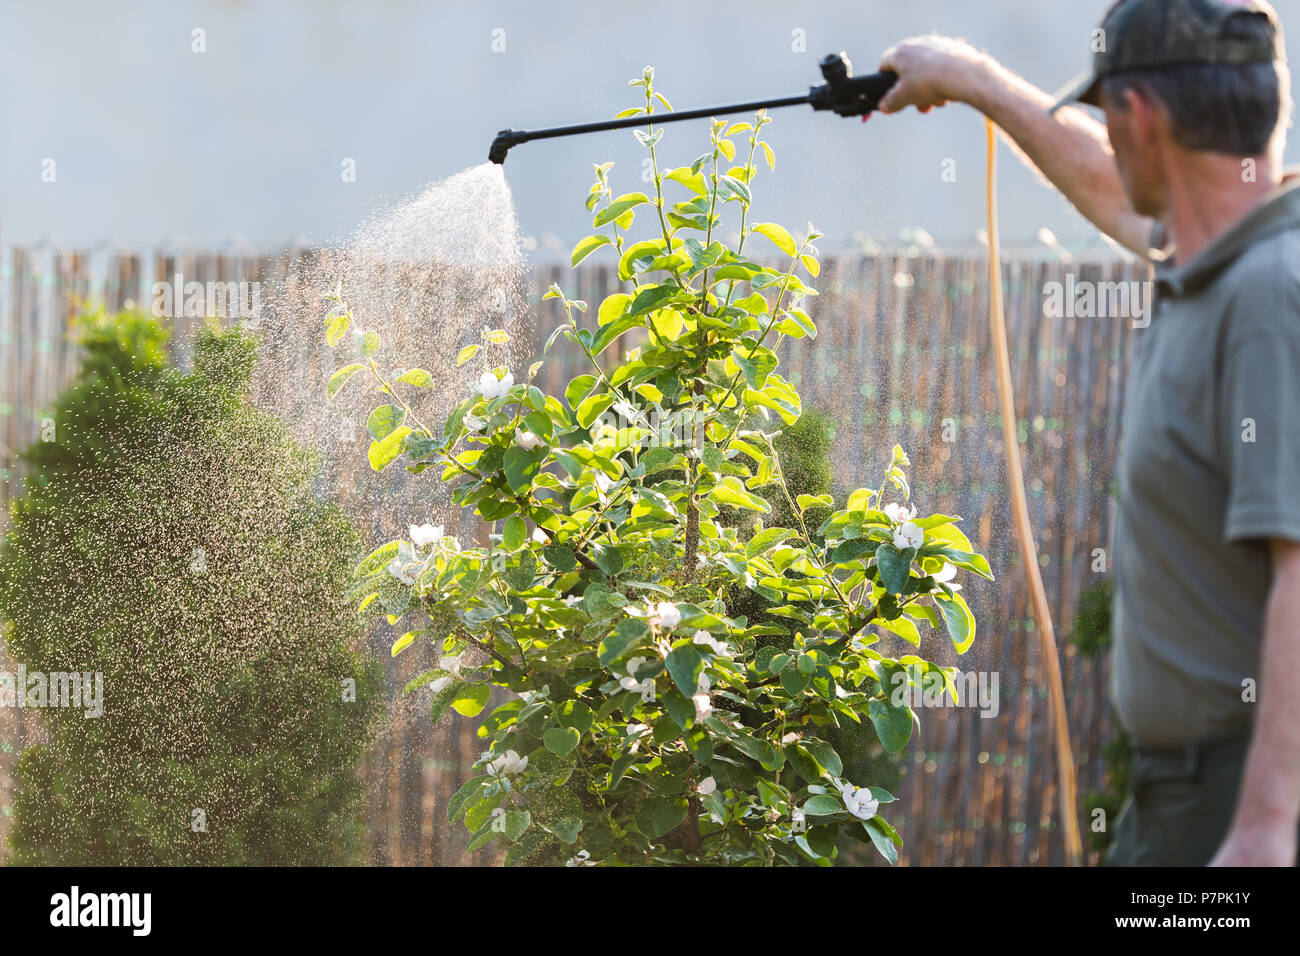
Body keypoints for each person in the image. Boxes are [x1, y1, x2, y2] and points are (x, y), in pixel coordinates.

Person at [877, 0, 1300, 866]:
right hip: (1180, 801)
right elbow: (1123, 194)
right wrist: (973, 80)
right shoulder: (1215, 257)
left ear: (1139, 118)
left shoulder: (1269, 296)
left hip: (1240, 802)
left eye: (1108, 117)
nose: (1105, 139)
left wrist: (1264, 825)